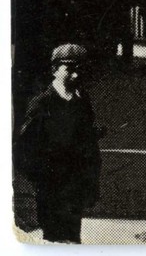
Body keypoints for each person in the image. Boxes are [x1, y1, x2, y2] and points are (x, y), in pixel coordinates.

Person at [16, 45, 101, 243]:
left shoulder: (82, 100)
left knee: (72, 238)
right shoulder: (42, 104)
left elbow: (89, 145)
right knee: (54, 241)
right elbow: (22, 150)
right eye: (69, 69)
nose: (75, 75)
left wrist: (91, 182)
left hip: (75, 188)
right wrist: (42, 179)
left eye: (80, 69)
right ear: (54, 70)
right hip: (51, 190)